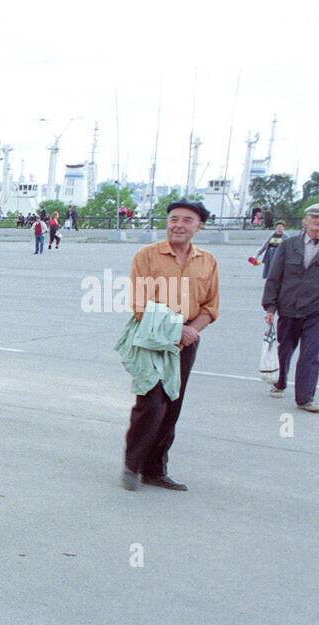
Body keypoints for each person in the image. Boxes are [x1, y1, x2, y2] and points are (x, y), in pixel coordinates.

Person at [122, 200, 219, 492]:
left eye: (187, 220)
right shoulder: (147, 255)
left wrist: (191, 331)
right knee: (151, 403)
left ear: (198, 226)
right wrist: (176, 330)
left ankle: (155, 469)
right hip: (152, 338)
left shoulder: (207, 261)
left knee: (172, 405)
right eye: (173, 219)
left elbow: (211, 306)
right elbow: (140, 304)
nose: (178, 224)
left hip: (187, 339)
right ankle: (132, 465)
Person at [262, 202, 319, 413]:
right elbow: (274, 276)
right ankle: (280, 381)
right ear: (305, 220)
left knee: (312, 353)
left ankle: (305, 398)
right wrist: (270, 307)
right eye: (314, 217)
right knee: (285, 348)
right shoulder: (289, 245)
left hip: (317, 310)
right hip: (289, 307)